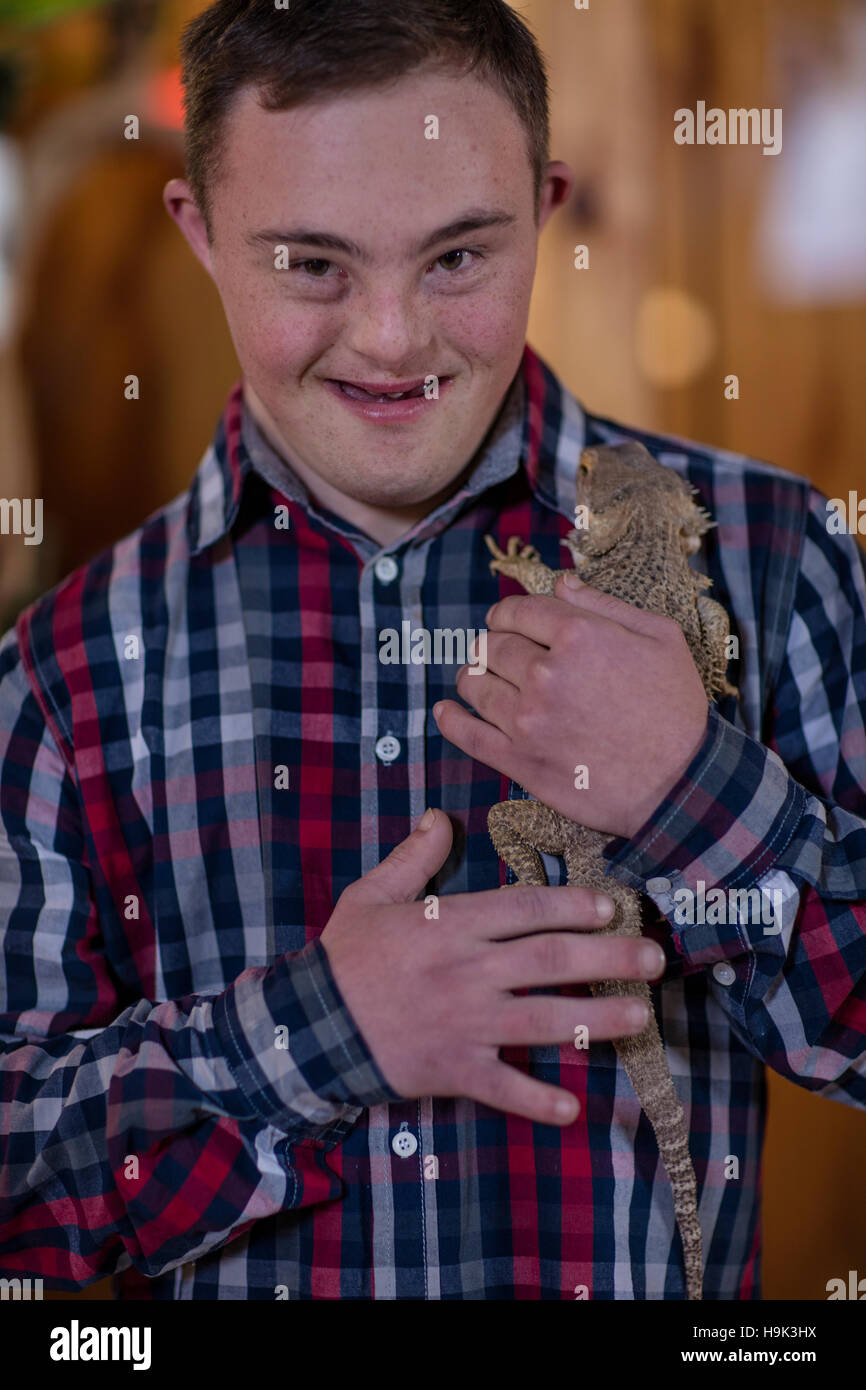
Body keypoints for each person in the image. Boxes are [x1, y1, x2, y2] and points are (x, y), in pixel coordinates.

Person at [1, 0, 865, 1302]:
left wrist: (690, 790)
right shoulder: (61, 676)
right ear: (198, 232)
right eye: (311, 266)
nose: (393, 338)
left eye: (457, 257)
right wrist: (323, 1031)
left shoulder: (766, 554)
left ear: (546, 203)